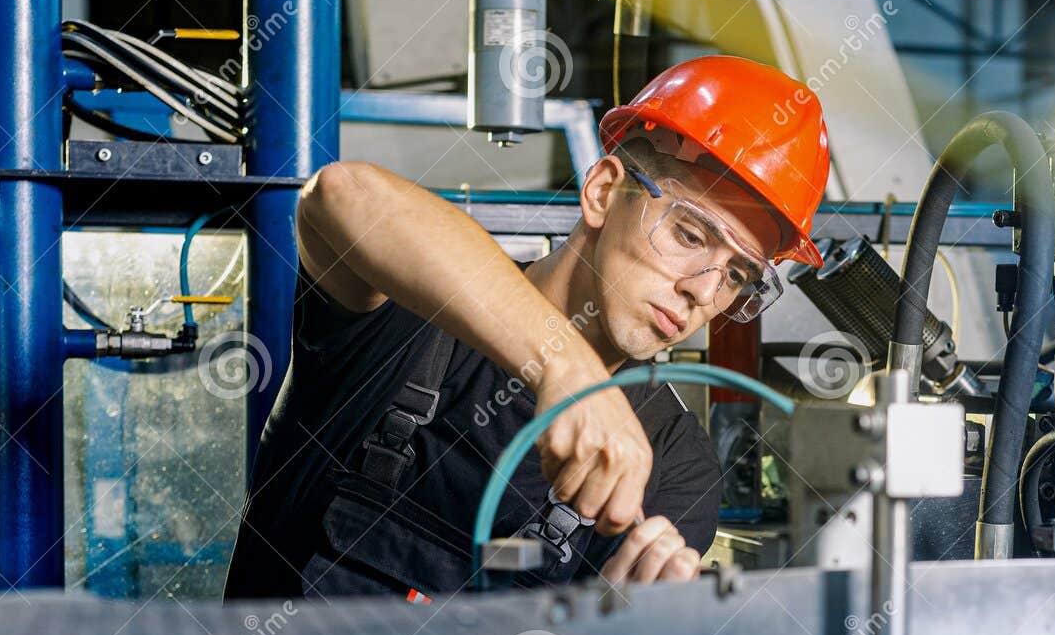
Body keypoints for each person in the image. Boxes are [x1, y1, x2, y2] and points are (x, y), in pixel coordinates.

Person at [223, 55, 829, 602]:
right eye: (690, 235)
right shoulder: (411, 315)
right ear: (601, 192)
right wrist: (564, 364)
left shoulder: (673, 463)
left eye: (737, 276)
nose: (703, 291)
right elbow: (339, 194)